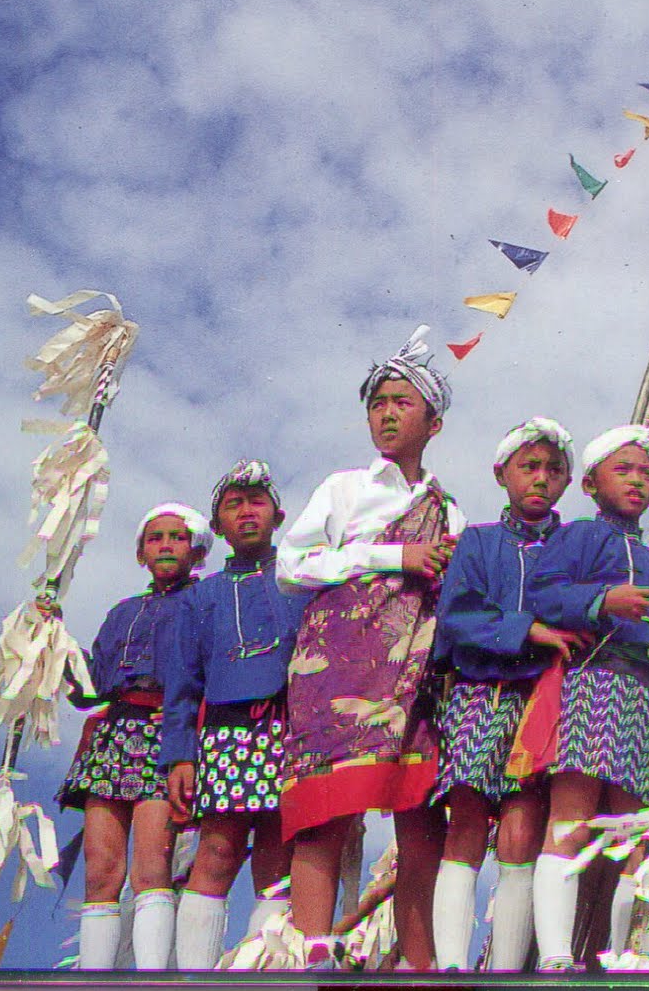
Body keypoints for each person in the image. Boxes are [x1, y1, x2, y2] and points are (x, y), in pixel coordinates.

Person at [275, 327, 465, 970]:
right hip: (339, 664)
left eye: (400, 402)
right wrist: (394, 556)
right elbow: (292, 564)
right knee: (326, 809)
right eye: (377, 402)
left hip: (416, 669)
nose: (385, 413)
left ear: (433, 421)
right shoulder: (344, 489)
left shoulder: (450, 510)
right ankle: (311, 951)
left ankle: (419, 963)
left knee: (417, 816)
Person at [430, 418, 590, 972]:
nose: (540, 480)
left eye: (553, 469)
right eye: (529, 467)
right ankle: (451, 965)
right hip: (481, 693)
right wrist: (532, 630)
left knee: (523, 826)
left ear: (568, 481)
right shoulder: (477, 542)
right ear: (502, 474)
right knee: (468, 819)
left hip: (543, 698)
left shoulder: (575, 545)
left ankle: (505, 969)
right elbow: (458, 616)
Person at [522, 424, 649, 973]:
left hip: (643, 694)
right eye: (624, 470)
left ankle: (627, 952)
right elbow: (544, 592)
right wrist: (603, 600)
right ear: (590, 484)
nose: (638, 481)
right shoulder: (582, 536)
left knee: (635, 825)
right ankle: (558, 957)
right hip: (593, 682)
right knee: (572, 813)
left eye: (646, 472)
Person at [160, 461, 310, 969]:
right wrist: (179, 757)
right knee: (217, 852)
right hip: (227, 731)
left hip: (292, 730)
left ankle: (261, 972)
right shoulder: (199, 597)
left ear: (278, 515)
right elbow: (182, 685)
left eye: (257, 502)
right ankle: (195, 976)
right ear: (217, 523)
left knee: (278, 860)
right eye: (233, 504)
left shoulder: (303, 580)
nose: (247, 512)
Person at [59, 503, 212, 969]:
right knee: (100, 868)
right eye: (155, 538)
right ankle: (95, 975)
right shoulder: (121, 613)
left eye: (177, 537)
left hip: (167, 735)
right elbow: (92, 688)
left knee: (152, 865)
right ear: (141, 554)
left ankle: (149, 974)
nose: (166, 545)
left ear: (197, 550)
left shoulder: (205, 604)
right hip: (111, 736)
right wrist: (52, 640)